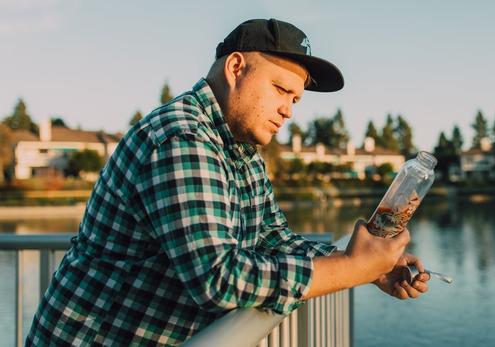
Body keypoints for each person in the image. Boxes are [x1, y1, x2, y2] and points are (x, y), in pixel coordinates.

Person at [26, 18, 430, 346]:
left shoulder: (238, 147)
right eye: (279, 89)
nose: (288, 110)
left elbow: (274, 239)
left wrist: (369, 265)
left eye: (296, 99)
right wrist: (348, 268)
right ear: (236, 68)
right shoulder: (182, 138)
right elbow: (219, 279)